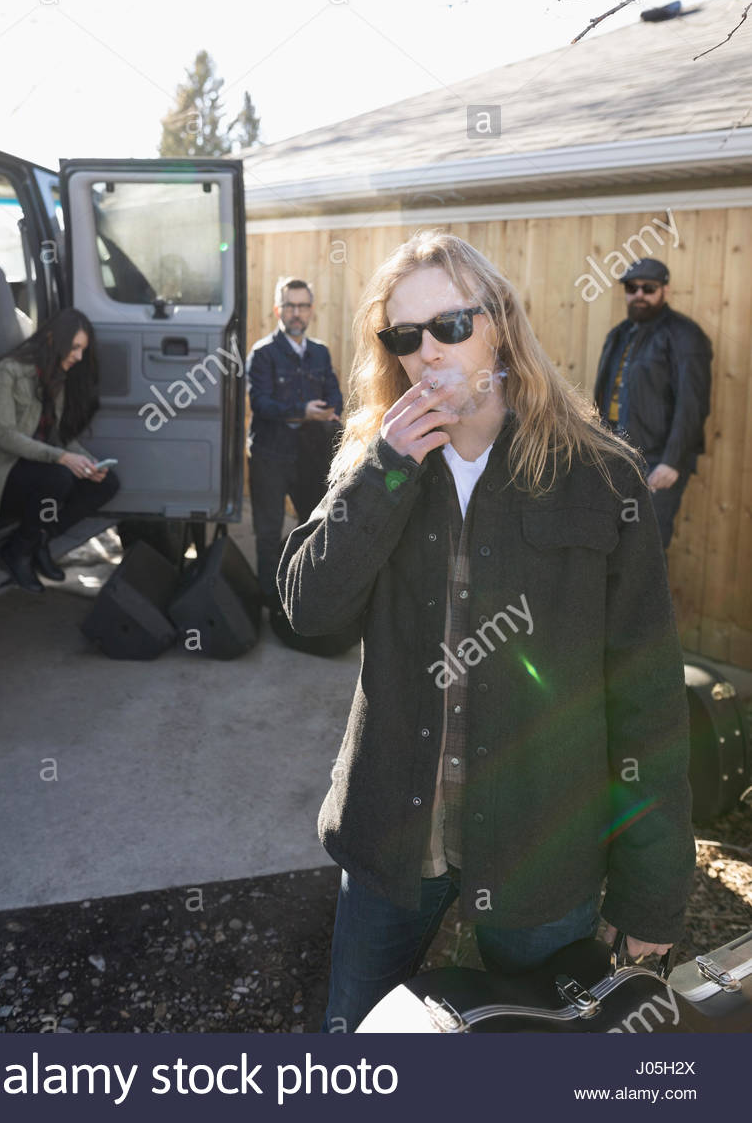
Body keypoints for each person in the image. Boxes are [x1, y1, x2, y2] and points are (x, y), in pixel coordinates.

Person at [278, 230, 696, 1033]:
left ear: (499, 324)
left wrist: (652, 893)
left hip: (543, 855)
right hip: (393, 841)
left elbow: (647, 698)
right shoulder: (375, 458)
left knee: (535, 1065)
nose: (428, 352)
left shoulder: (600, 474)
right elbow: (307, 611)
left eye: (450, 326)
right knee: (355, 1044)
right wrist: (385, 472)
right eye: (404, 337)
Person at [0, 309, 120, 593]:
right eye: (75, 347)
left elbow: (56, 437)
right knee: (57, 478)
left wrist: (89, 463)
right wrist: (62, 458)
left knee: (106, 483)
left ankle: (41, 538)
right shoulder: (8, 371)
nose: (79, 356)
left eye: (82, 349)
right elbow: (6, 437)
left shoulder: (55, 377)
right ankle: (18, 551)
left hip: (25, 467)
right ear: (52, 339)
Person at [593, 257, 712, 549]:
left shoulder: (685, 335)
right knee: (612, 547)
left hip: (657, 462)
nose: (639, 295)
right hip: (614, 457)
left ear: (664, 290)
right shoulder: (619, 334)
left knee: (647, 550)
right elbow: (602, 396)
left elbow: (692, 404)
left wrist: (673, 461)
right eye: (632, 288)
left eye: (648, 288)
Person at [246, 277, 343, 606]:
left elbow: (334, 395)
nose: (297, 313)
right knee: (268, 533)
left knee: (314, 526)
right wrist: (303, 411)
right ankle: (268, 605)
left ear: (311, 310)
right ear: (278, 310)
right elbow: (261, 404)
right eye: (290, 306)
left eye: (303, 306)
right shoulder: (263, 354)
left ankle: (301, 599)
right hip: (269, 456)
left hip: (309, 458)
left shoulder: (320, 353)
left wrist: (329, 412)